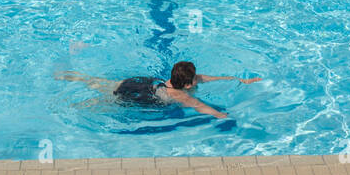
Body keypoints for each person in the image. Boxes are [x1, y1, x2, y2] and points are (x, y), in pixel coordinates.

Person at [58, 62, 259, 120]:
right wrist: (219, 114)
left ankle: (69, 75)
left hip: (138, 82)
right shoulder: (178, 95)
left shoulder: (179, 79)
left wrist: (238, 79)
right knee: (102, 104)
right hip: (140, 95)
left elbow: (207, 78)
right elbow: (199, 106)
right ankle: (67, 107)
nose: (199, 78)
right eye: (195, 78)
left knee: (99, 82)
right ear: (188, 85)